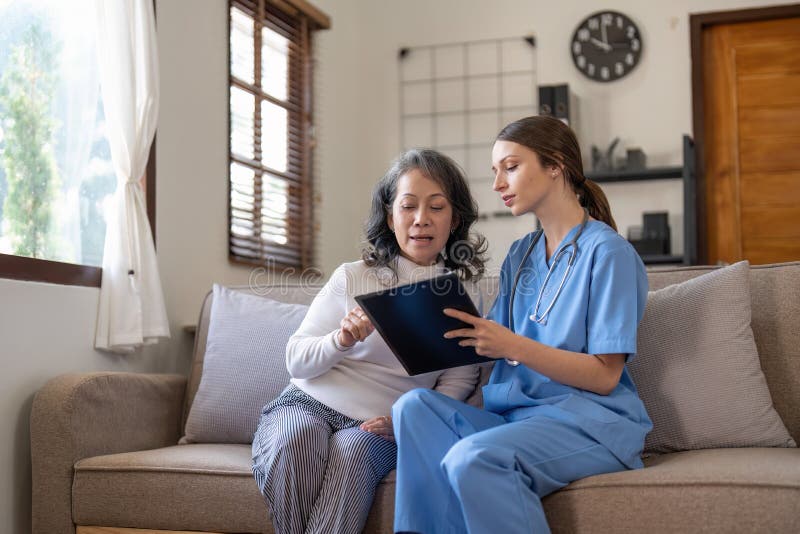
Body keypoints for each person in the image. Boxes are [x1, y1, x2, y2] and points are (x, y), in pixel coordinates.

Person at [391, 116, 653, 534]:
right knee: (413, 407)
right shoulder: (521, 254)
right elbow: (490, 346)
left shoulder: (609, 254)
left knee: (473, 457)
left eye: (510, 167)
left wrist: (513, 345)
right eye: (495, 172)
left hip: (589, 423)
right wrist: (422, 321)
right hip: (516, 420)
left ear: (556, 165)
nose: (497, 183)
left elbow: (606, 376)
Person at [251, 148, 487, 534]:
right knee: (297, 438)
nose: (421, 219)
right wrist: (340, 340)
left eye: (436, 207)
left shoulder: (460, 297)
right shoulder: (353, 276)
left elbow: (457, 381)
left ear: (454, 218)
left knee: (354, 452)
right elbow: (296, 360)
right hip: (308, 402)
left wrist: (408, 421)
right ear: (391, 216)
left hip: (381, 424)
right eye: (408, 206)